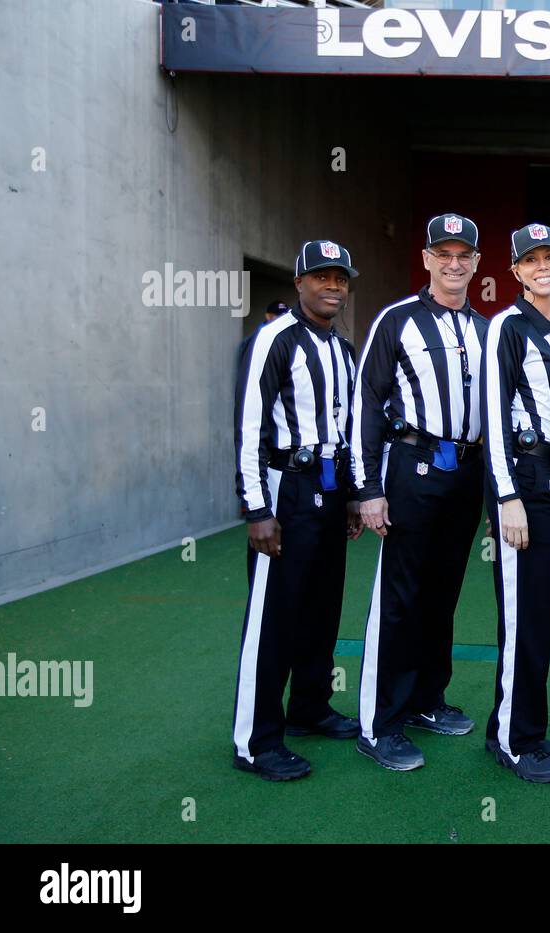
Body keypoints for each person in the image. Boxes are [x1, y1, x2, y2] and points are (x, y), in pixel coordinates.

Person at [350, 214, 488, 771]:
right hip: (412, 465)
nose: (454, 264)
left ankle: (427, 699)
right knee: (401, 596)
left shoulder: (486, 328)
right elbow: (366, 402)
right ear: (427, 258)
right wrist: (368, 489)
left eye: (464, 255)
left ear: (478, 264)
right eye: (443, 253)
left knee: (442, 593)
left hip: (466, 473)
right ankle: (379, 722)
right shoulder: (396, 319)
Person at [231, 240, 364, 781]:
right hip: (287, 490)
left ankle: (308, 707)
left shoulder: (343, 348)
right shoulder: (273, 340)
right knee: (274, 618)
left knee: (321, 608)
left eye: (340, 278)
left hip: (331, 491)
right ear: (299, 283)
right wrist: (257, 509)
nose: (333, 286)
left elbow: (351, 428)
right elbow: (247, 428)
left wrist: (354, 494)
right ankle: (255, 741)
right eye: (322, 277)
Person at [482, 223, 550, 784]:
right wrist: (506, 498)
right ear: (517, 271)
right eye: (532, 260)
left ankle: (526, 725)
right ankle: (510, 737)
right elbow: (494, 420)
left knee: (540, 613)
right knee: (521, 614)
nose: (543, 266)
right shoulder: (506, 326)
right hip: (523, 481)